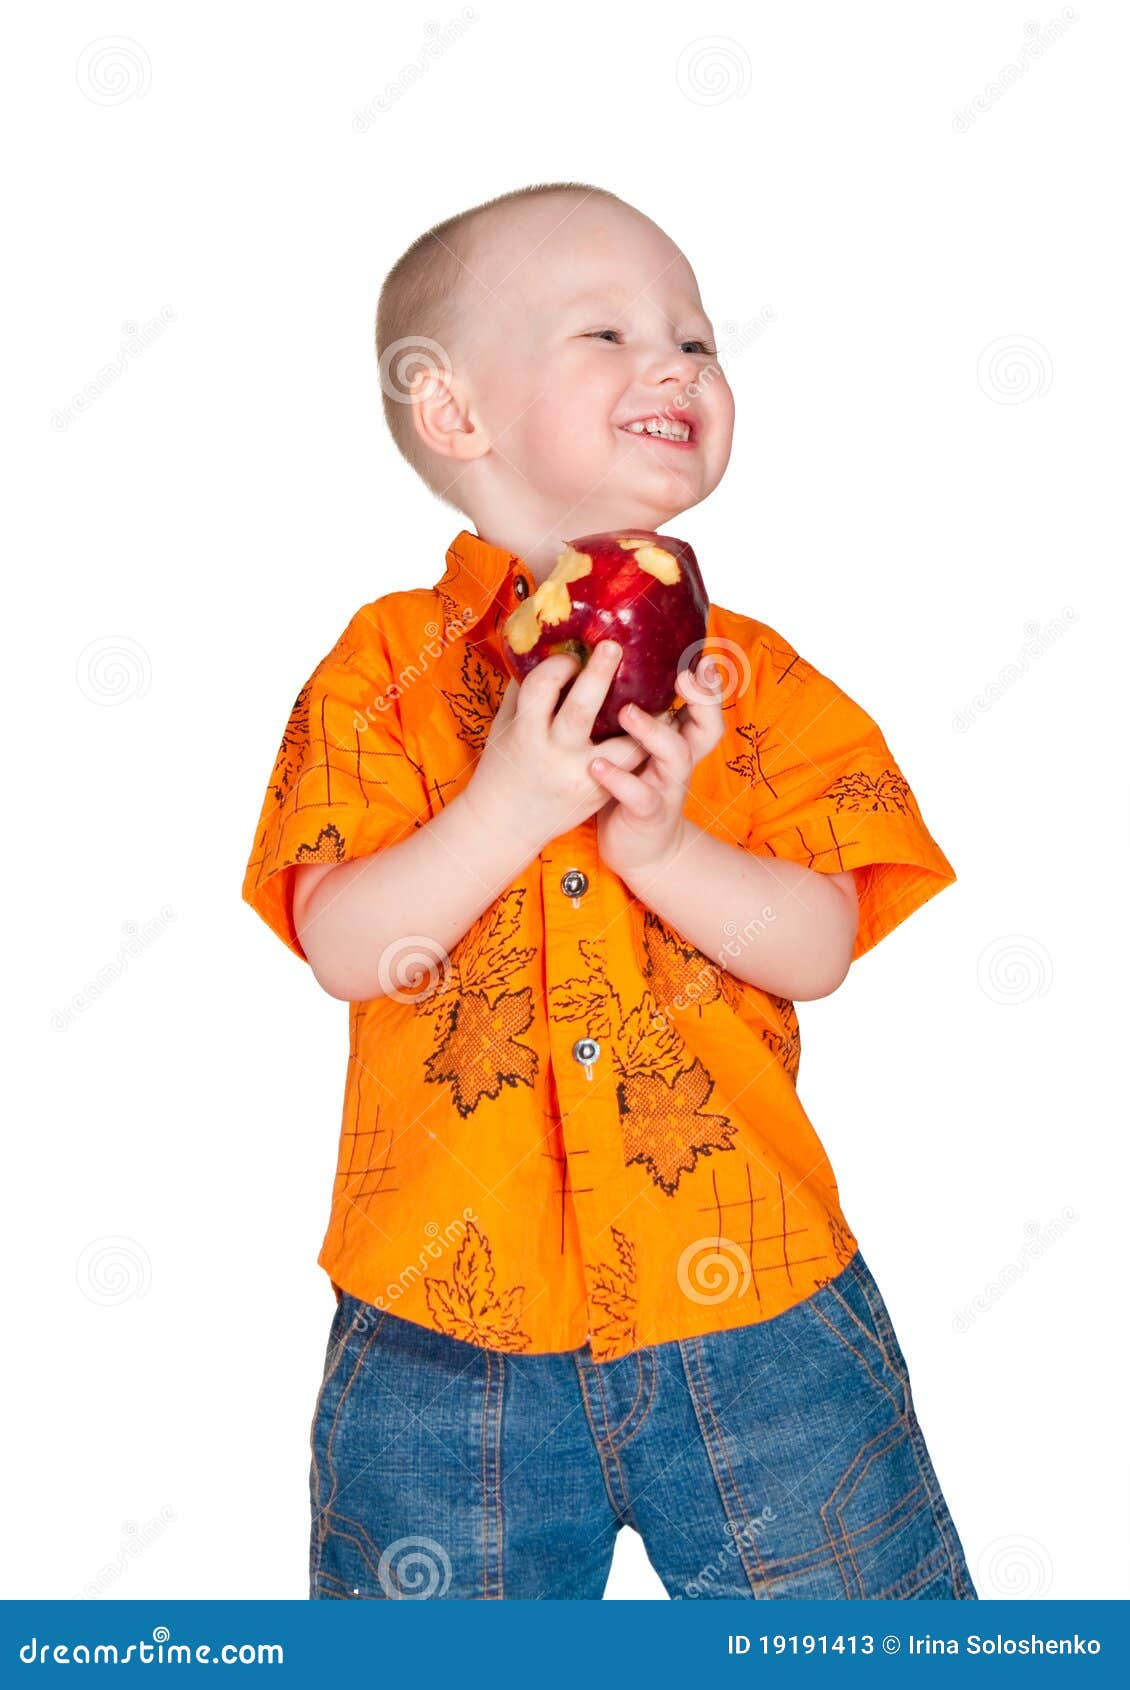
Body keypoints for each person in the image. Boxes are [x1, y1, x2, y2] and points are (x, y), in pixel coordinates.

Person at [241, 181, 977, 1601]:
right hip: (439, 1329)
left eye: (696, 341)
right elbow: (345, 943)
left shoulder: (752, 681)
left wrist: (664, 849)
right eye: (607, 332)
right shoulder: (382, 670)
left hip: (760, 1308)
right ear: (454, 414)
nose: (676, 365)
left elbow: (818, 942)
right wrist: (512, 800)